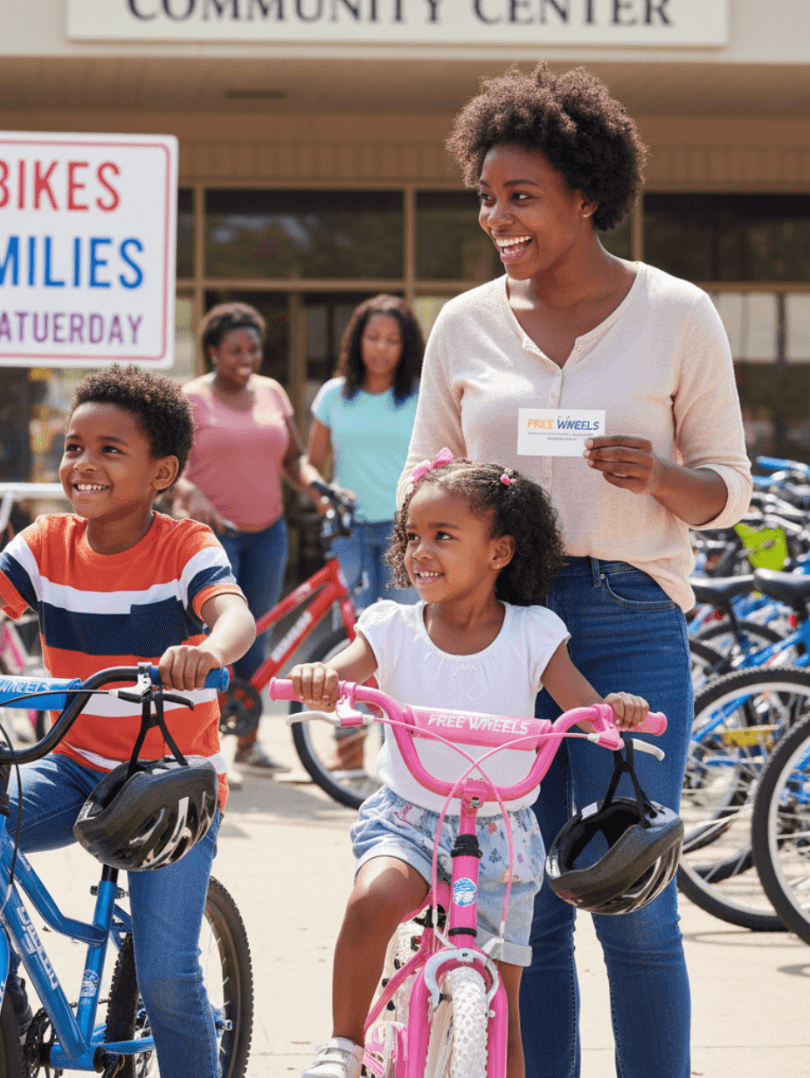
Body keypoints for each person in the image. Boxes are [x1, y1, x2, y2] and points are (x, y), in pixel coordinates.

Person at [401, 65, 753, 1078]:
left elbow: (726, 485)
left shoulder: (677, 313)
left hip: (627, 616)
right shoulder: (465, 324)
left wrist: (661, 474)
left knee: (627, 895)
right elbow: (427, 475)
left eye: (520, 196)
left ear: (586, 196)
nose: (495, 216)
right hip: (495, 628)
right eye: (486, 196)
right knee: (522, 905)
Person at [0, 366, 257, 1078]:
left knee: (167, 980)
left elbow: (234, 615)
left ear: (162, 472)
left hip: (165, 782)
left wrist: (207, 653)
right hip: (74, 764)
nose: (83, 463)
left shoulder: (184, 545)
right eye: (73, 447)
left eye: (109, 449)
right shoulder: (46, 543)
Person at [290, 455, 648, 1078]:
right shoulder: (391, 627)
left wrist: (612, 710)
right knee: (372, 902)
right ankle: (343, 1047)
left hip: (501, 835)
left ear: (499, 552)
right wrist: (323, 679)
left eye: (444, 536)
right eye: (413, 536)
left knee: (504, 1007)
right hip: (408, 818)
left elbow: (584, 707)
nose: (420, 551)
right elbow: (345, 672)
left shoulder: (536, 632)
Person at [173, 301, 326, 774]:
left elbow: (294, 458)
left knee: (255, 635)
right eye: (234, 349)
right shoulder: (192, 399)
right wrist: (189, 490)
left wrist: (319, 487)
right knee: (208, 636)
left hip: (268, 534)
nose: (246, 358)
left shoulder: (272, 393)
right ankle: (200, 746)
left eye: (253, 349)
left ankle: (248, 743)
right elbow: (164, 466)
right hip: (213, 536)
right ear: (213, 351)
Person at [307, 294, 422, 610]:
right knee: (351, 631)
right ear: (358, 341)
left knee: (402, 626)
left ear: (405, 346)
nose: (381, 347)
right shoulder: (333, 394)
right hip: (346, 529)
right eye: (372, 338)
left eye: (391, 340)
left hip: (404, 529)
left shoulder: (422, 396)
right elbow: (310, 464)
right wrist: (324, 498)